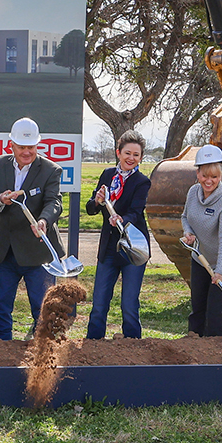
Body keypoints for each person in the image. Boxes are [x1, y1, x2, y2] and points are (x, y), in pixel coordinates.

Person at [0, 117, 64, 340]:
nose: (27, 152)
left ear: (38, 145)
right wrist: (0, 198)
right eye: (22, 147)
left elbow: (54, 202)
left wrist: (44, 221)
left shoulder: (51, 170)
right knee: (0, 303)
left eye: (31, 147)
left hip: (38, 253)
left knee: (43, 306)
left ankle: (44, 350)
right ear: (11, 145)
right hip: (5, 251)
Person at [84, 130, 152, 339]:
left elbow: (136, 210)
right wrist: (97, 200)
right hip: (109, 249)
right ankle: (93, 345)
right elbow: (91, 208)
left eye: (136, 155)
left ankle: (132, 347)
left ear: (141, 157)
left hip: (132, 247)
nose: (131, 158)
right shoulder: (107, 175)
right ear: (118, 153)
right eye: (127, 153)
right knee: (99, 302)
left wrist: (121, 219)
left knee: (129, 304)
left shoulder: (142, 181)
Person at [181, 144, 222, 337]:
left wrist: (220, 271)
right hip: (200, 258)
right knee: (198, 307)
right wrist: (188, 232)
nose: (209, 181)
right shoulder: (193, 193)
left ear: (221, 176)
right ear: (198, 173)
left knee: (215, 312)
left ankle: (216, 355)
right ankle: (194, 347)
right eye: (205, 176)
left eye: (214, 177)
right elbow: (185, 217)